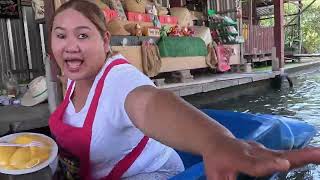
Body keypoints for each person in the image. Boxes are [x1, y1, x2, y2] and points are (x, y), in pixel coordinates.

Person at [48, 0, 320, 180]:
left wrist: (217, 142)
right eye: (61, 35)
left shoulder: (119, 78)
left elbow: (149, 103)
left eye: (83, 35)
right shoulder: (73, 77)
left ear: (105, 41)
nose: (70, 45)